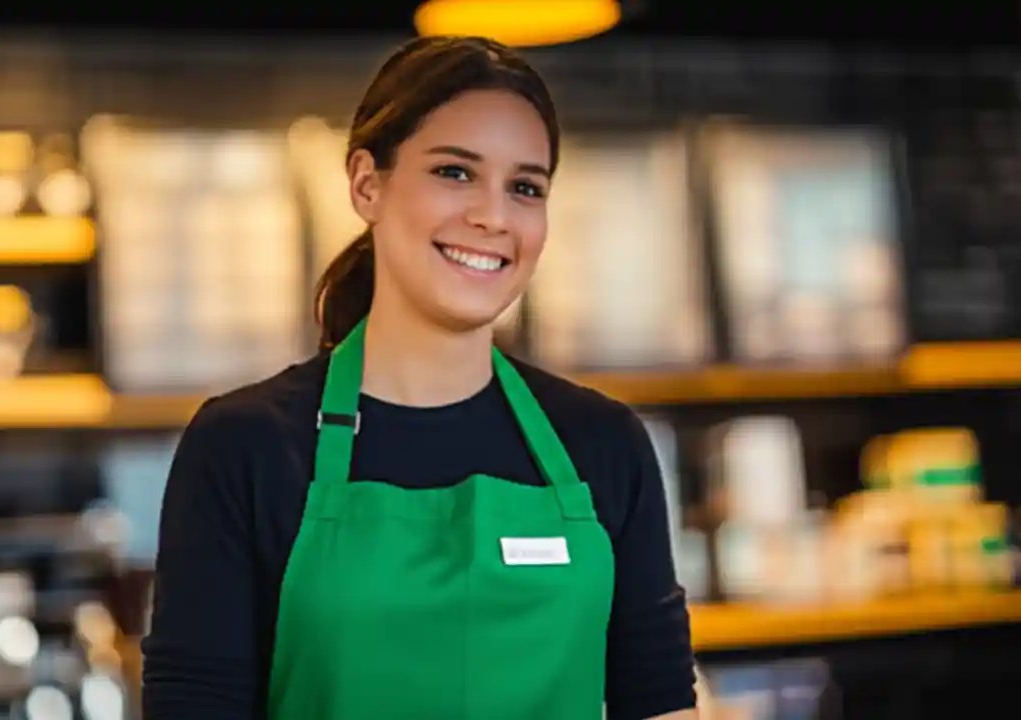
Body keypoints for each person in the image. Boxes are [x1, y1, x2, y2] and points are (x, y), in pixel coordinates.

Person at [142, 35, 698, 720]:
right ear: (366, 184)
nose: (493, 216)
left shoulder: (604, 445)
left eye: (525, 187)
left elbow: (661, 703)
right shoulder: (244, 446)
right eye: (455, 173)